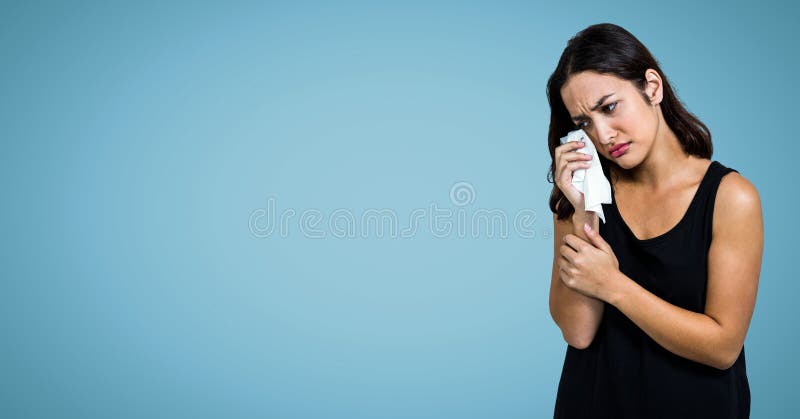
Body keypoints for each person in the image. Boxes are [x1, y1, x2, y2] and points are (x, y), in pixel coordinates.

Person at [546, 23, 763, 418]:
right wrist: (584, 212)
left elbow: (722, 347)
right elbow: (578, 333)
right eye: (584, 123)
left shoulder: (731, 197)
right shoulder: (581, 199)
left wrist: (613, 285)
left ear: (652, 87)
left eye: (609, 107)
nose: (603, 134)